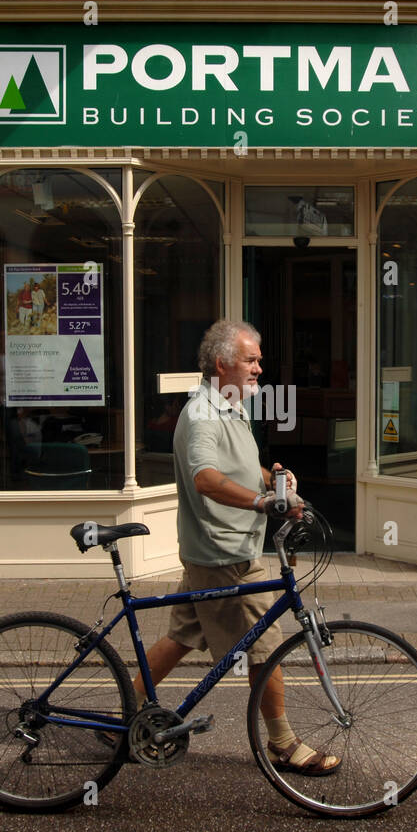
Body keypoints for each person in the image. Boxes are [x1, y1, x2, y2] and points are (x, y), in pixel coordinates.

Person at [129, 319, 339, 776]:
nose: (260, 369)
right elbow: (206, 478)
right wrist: (263, 502)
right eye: (251, 359)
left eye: (259, 360)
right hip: (226, 555)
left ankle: (125, 711)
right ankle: (282, 744)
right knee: (265, 646)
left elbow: (239, 468)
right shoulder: (201, 414)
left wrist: (271, 478)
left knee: (184, 635)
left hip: (222, 548)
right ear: (222, 363)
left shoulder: (231, 405)